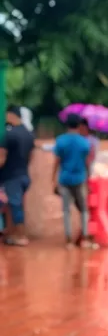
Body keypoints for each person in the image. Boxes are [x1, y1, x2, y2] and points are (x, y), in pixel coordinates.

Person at [53, 114, 92, 247]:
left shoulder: (60, 141)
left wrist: (53, 179)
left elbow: (57, 161)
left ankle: (68, 240)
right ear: (79, 125)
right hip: (80, 179)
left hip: (64, 179)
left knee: (66, 210)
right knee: (84, 209)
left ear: (67, 125)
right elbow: (87, 163)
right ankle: (85, 238)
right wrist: (89, 179)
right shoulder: (85, 142)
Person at [0, 105, 35, 246]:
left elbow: (1, 158)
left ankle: (21, 236)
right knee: (15, 205)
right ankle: (12, 234)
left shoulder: (9, 135)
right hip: (24, 175)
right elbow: (31, 156)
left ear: (10, 115)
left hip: (11, 176)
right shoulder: (28, 133)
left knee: (15, 205)